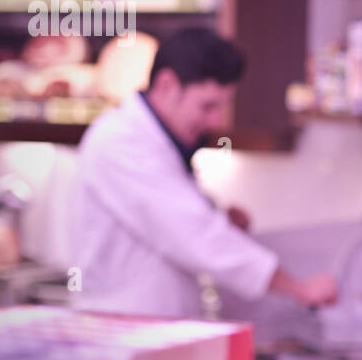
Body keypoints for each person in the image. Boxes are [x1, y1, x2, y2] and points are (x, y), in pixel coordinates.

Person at [71, 26, 337, 318]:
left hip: (155, 333)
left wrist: (220, 220)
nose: (214, 121)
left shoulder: (158, 142)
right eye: (207, 105)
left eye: (220, 106)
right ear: (167, 84)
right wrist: (300, 289)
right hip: (121, 334)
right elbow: (193, 233)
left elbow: (175, 222)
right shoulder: (119, 141)